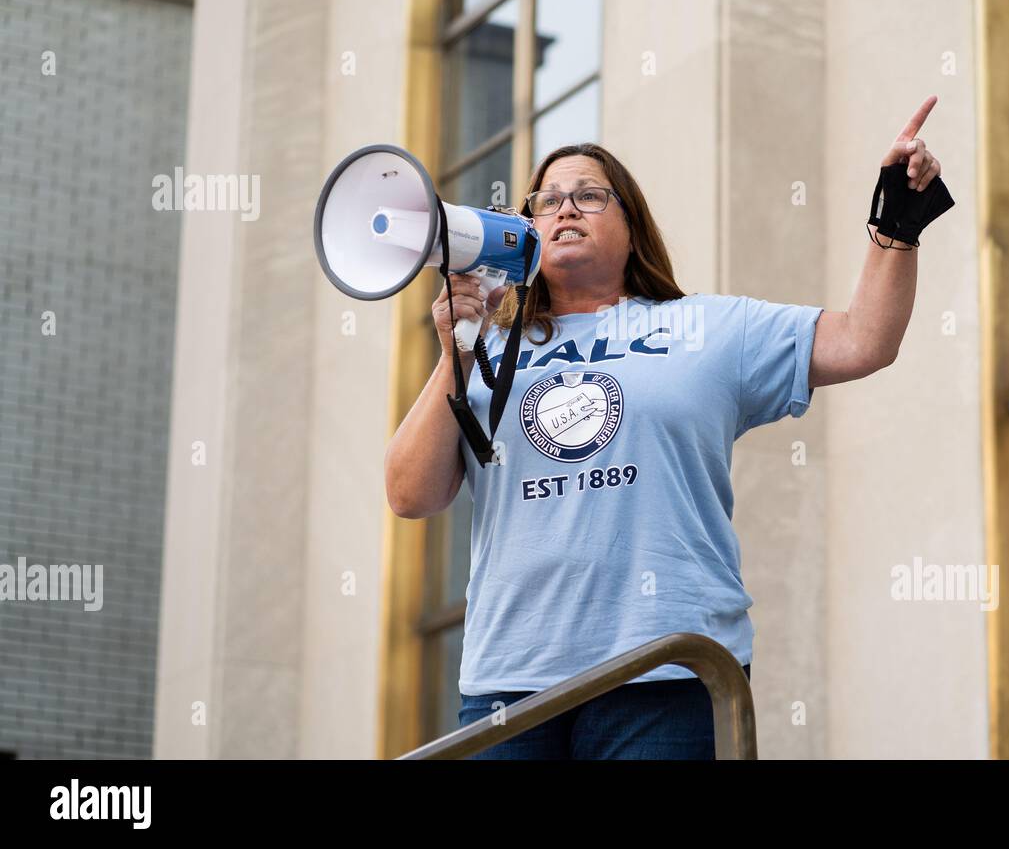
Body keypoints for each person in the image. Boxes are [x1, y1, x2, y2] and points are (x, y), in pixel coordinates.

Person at [384, 97, 946, 759]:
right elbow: (409, 494)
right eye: (545, 200)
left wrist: (899, 222)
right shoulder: (489, 354)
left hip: (664, 674)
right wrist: (455, 346)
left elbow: (864, 340)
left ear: (631, 223)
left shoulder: (705, 328)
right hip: (509, 689)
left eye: (589, 195)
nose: (563, 208)